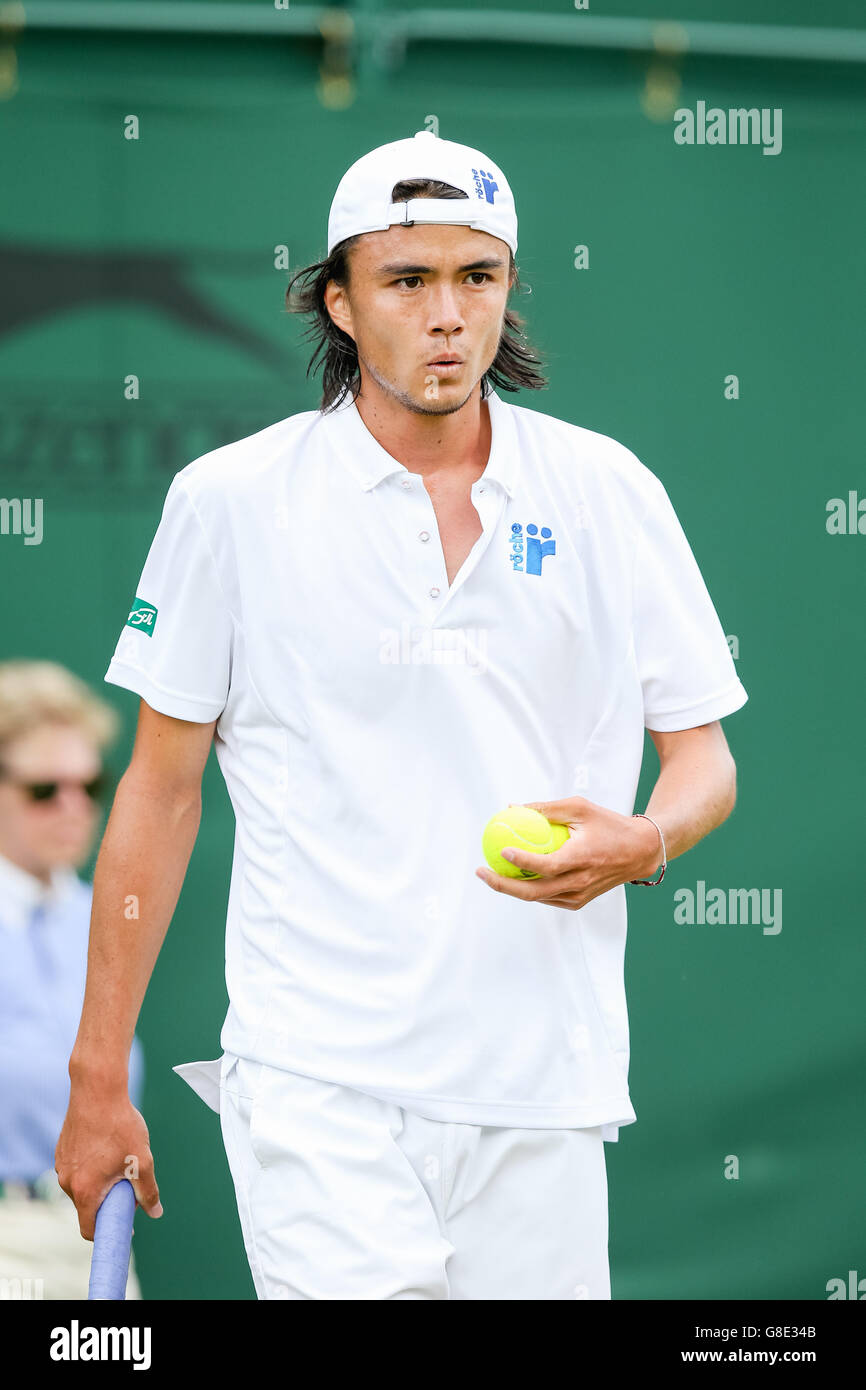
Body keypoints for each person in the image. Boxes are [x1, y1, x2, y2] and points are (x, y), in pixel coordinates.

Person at [57, 130, 748, 1300]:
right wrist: (95, 1077)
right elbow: (159, 791)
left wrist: (649, 838)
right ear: (338, 301)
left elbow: (701, 758)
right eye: (405, 279)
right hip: (318, 1083)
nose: (445, 314)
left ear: (507, 292)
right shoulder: (227, 502)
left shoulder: (610, 491)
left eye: (475, 277)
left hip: (548, 1089)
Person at [0, 659, 144, 1299]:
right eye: (43, 789)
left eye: (91, 786)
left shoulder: (95, 914)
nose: (73, 807)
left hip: (98, 1242)